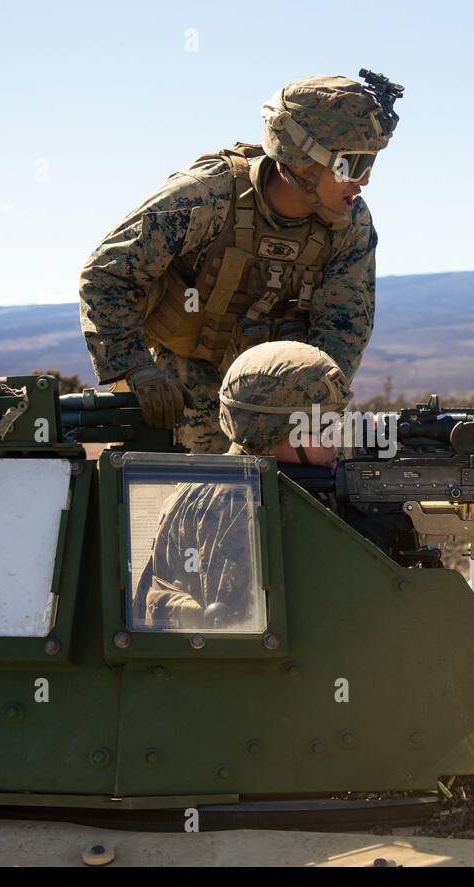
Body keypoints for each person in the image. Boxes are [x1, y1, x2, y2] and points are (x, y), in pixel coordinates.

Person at [80, 70, 401, 453]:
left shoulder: (350, 225)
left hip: (277, 401)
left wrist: (313, 415)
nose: (363, 182)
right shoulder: (206, 197)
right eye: (352, 166)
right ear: (301, 161)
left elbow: (343, 331)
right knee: (181, 496)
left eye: (371, 166)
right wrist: (136, 369)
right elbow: (107, 276)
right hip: (177, 388)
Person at [137, 341, 349, 629]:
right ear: (267, 436)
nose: (334, 441)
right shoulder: (236, 503)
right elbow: (240, 628)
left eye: (338, 423)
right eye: (321, 429)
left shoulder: (258, 482)